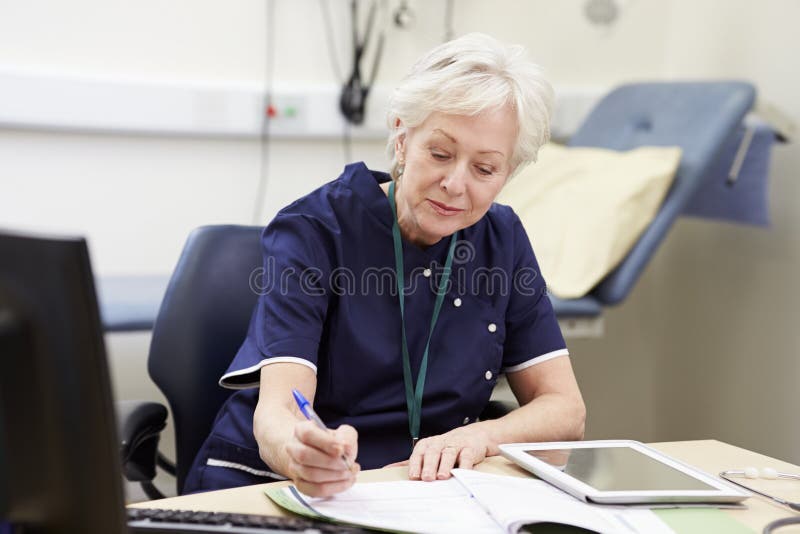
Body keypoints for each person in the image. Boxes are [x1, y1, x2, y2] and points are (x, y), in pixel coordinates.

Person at [184, 33, 585, 497]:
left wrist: (478, 437)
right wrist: (303, 453)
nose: (456, 184)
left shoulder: (502, 238)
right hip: (282, 485)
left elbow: (564, 409)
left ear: (507, 173)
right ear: (401, 136)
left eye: (485, 169)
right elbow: (278, 412)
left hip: (424, 488)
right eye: (440, 154)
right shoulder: (314, 230)